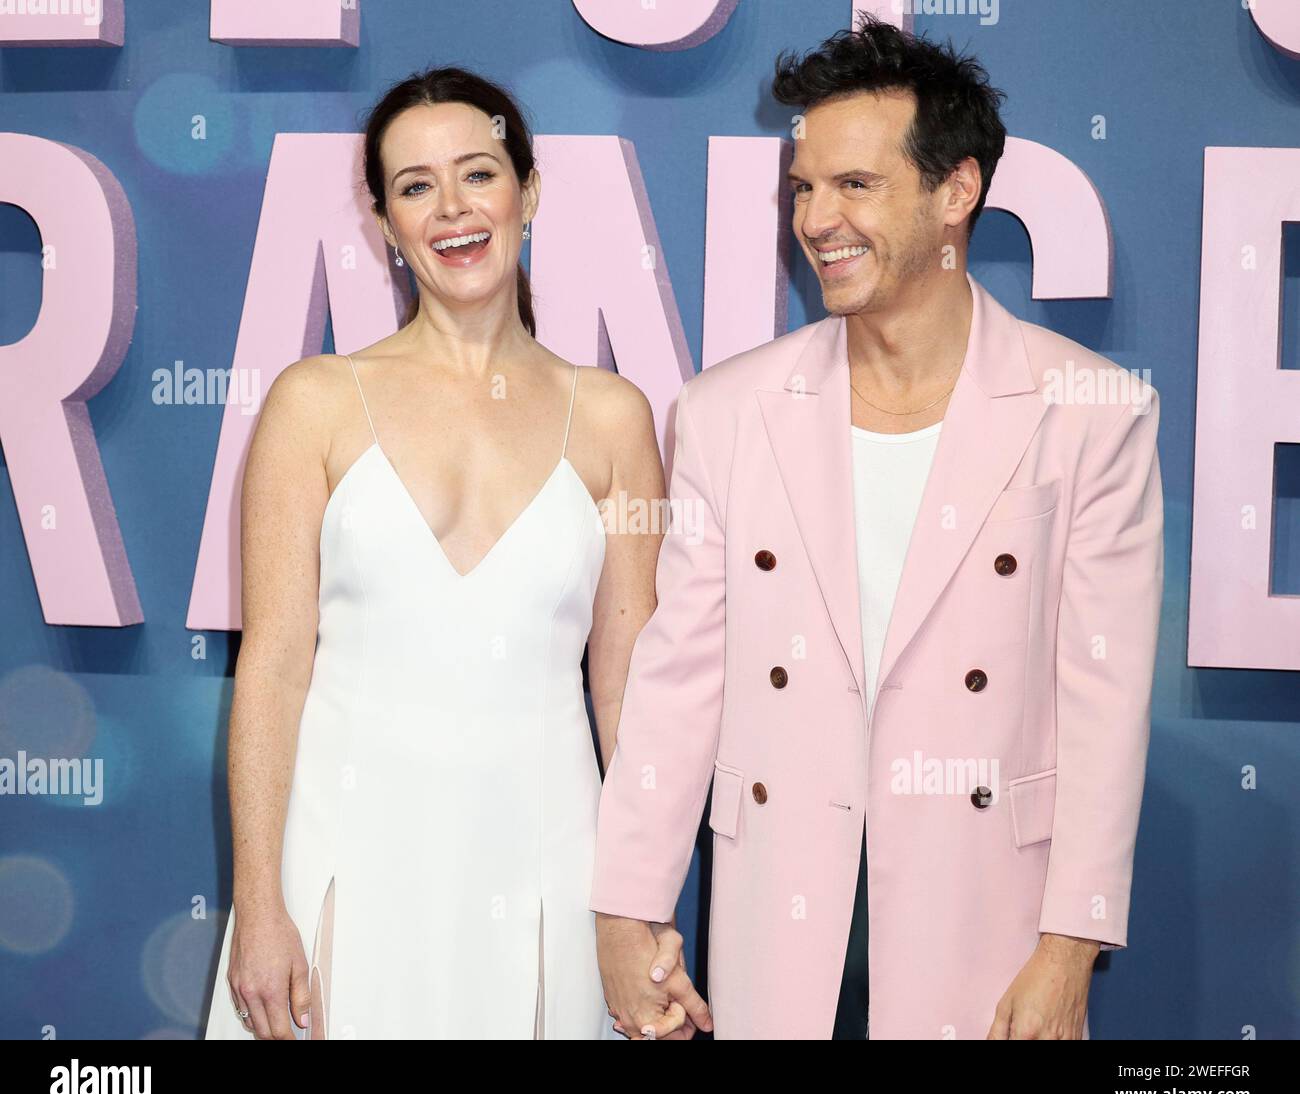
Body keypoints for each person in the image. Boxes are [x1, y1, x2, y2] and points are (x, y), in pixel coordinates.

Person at [591, 15, 1163, 1040]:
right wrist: (628, 907)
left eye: (854, 186)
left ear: (956, 192)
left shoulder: (1088, 409)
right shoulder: (728, 411)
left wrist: (1071, 944)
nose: (816, 219)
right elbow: (679, 680)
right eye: (804, 187)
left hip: (987, 912)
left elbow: (1102, 702)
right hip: (781, 900)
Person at [203, 66, 662, 1039]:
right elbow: (273, 670)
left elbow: (627, 693)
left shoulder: (616, 419)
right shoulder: (313, 401)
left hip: (547, 866)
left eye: (477, 174)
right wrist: (259, 904)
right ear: (385, 223)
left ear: (527, 191)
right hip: (342, 861)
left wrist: (640, 906)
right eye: (415, 186)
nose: (452, 209)